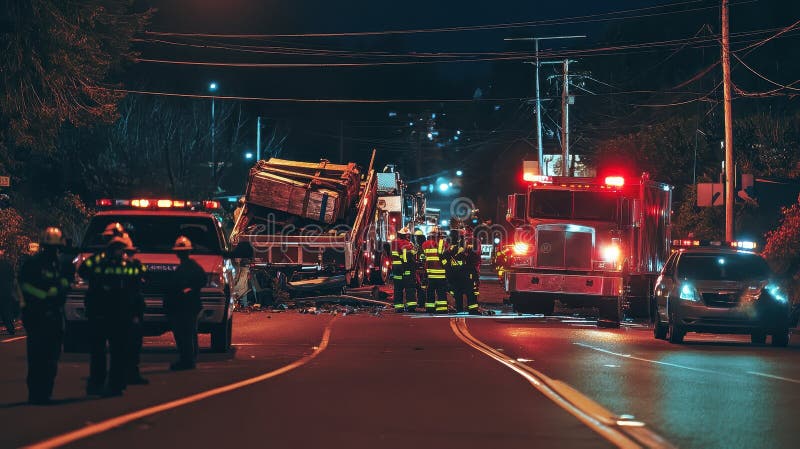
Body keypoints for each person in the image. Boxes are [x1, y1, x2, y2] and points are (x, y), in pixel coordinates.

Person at [18, 227, 71, 404]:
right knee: (37, 357)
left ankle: (46, 392)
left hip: (55, 316)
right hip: (37, 316)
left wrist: (60, 291)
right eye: (51, 248)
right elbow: (25, 286)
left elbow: (65, 285)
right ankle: (36, 394)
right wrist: (45, 296)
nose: (53, 252)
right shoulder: (33, 264)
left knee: (52, 357)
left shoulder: (61, 265)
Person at [79, 234, 132, 397]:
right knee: (104, 351)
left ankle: (110, 383)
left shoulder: (119, 263)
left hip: (108, 313)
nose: (118, 251)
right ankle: (105, 383)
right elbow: (82, 271)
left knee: (111, 351)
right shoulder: (121, 264)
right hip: (105, 313)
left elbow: (134, 282)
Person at [165, 236, 206, 370]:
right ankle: (189, 358)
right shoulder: (190, 267)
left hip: (186, 306)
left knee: (184, 334)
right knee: (189, 332)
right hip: (188, 305)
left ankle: (187, 360)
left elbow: (200, 281)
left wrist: (188, 290)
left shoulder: (188, 268)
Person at [122, 233, 148, 385]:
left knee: (132, 344)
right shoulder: (132, 266)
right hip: (126, 309)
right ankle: (126, 374)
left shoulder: (135, 266)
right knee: (127, 344)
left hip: (130, 309)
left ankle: (129, 373)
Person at [390, 227, 417, 313]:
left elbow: (392, 255)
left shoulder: (393, 242)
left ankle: (399, 307)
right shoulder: (407, 244)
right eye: (407, 235)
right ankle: (411, 307)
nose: (408, 236)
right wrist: (414, 248)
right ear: (404, 235)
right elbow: (409, 256)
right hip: (405, 267)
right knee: (409, 287)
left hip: (396, 267)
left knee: (398, 288)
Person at [421, 228, 448, 314]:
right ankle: (442, 309)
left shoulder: (425, 244)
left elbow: (423, 258)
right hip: (441, 273)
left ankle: (430, 308)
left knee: (430, 291)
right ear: (438, 235)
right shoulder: (442, 243)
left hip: (430, 273)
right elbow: (445, 255)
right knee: (441, 291)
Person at [0, 248, 18, 335]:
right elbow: (13, 278)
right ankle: (11, 328)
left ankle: (10, 328)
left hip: (4, 290)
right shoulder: (7, 265)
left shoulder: (6, 265)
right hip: (6, 291)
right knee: (7, 310)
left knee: (5, 310)